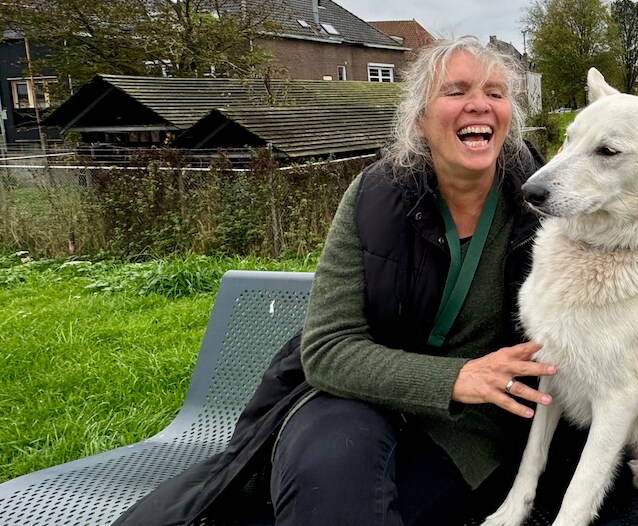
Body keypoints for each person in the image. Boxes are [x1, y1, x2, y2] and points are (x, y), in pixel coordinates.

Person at [113, 36, 560, 526]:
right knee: (328, 485)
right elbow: (327, 348)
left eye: (495, 93)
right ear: (419, 119)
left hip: (470, 429)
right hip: (352, 398)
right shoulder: (375, 198)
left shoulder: (549, 205)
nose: (479, 105)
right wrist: (453, 377)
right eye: (456, 91)